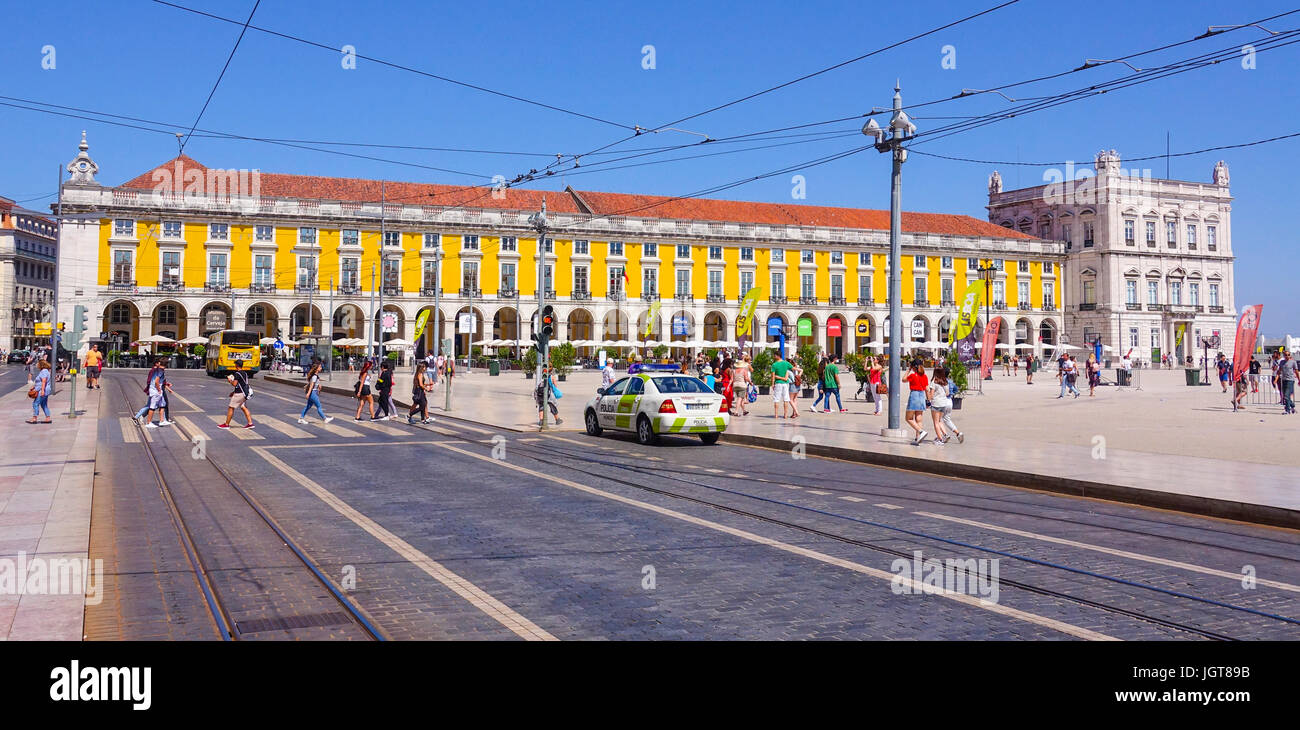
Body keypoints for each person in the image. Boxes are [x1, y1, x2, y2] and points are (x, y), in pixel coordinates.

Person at [928, 366, 964, 444]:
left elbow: (931, 395)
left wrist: (928, 397)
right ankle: (945, 434)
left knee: (937, 422)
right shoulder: (946, 381)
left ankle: (941, 438)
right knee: (942, 420)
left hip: (937, 403)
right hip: (946, 402)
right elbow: (950, 392)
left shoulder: (935, 381)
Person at [219, 359, 254, 429]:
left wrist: (230, 381)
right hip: (245, 393)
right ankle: (250, 423)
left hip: (239, 394)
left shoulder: (237, 374)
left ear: (236, 365)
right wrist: (233, 392)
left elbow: (235, 384)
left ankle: (226, 424)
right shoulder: (245, 373)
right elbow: (241, 384)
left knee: (231, 408)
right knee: (243, 407)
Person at [298, 359, 334, 424]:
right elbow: (311, 385)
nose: (321, 368)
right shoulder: (314, 376)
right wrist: (308, 394)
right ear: (317, 368)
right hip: (313, 393)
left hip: (313, 392)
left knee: (308, 406)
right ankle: (325, 419)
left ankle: (301, 418)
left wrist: (322, 383)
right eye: (320, 367)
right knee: (319, 406)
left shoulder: (316, 376)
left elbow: (317, 381)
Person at [904, 359, 929, 445]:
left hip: (914, 395)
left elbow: (903, 379)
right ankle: (918, 438)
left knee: (908, 418)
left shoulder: (913, 375)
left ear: (913, 367)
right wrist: (928, 400)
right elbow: (927, 389)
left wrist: (908, 370)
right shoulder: (924, 376)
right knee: (919, 419)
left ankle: (921, 431)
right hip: (922, 396)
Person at [770, 352, 795, 419]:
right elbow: (792, 368)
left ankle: (776, 415)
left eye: (775, 355)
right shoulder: (786, 363)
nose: (774, 357)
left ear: (778, 356)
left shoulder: (774, 365)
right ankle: (785, 415)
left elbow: (773, 376)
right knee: (786, 399)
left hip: (778, 383)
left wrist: (772, 384)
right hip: (786, 383)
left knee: (776, 399)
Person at [27, 359, 53, 424]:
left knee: (35, 403)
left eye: (38, 363)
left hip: (42, 390)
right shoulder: (46, 371)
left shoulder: (43, 371)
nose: (37, 365)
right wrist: (34, 387)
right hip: (45, 390)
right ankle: (48, 418)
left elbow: (44, 381)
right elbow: (41, 381)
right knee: (44, 404)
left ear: (41, 365)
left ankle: (34, 418)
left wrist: (42, 391)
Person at [1278, 350, 1297, 415]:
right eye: (1286, 355)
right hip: (1284, 380)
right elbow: (1279, 370)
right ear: (1284, 356)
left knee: (1286, 395)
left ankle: (1287, 410)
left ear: (1290, 355)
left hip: (1290, 380)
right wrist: (1276, 378)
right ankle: (1292, 406)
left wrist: (1299, 379)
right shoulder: (1281, 362)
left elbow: (1296, 371)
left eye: (1288, 355)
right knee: (1285, 396)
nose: (1287, 356)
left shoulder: (1293, 362)